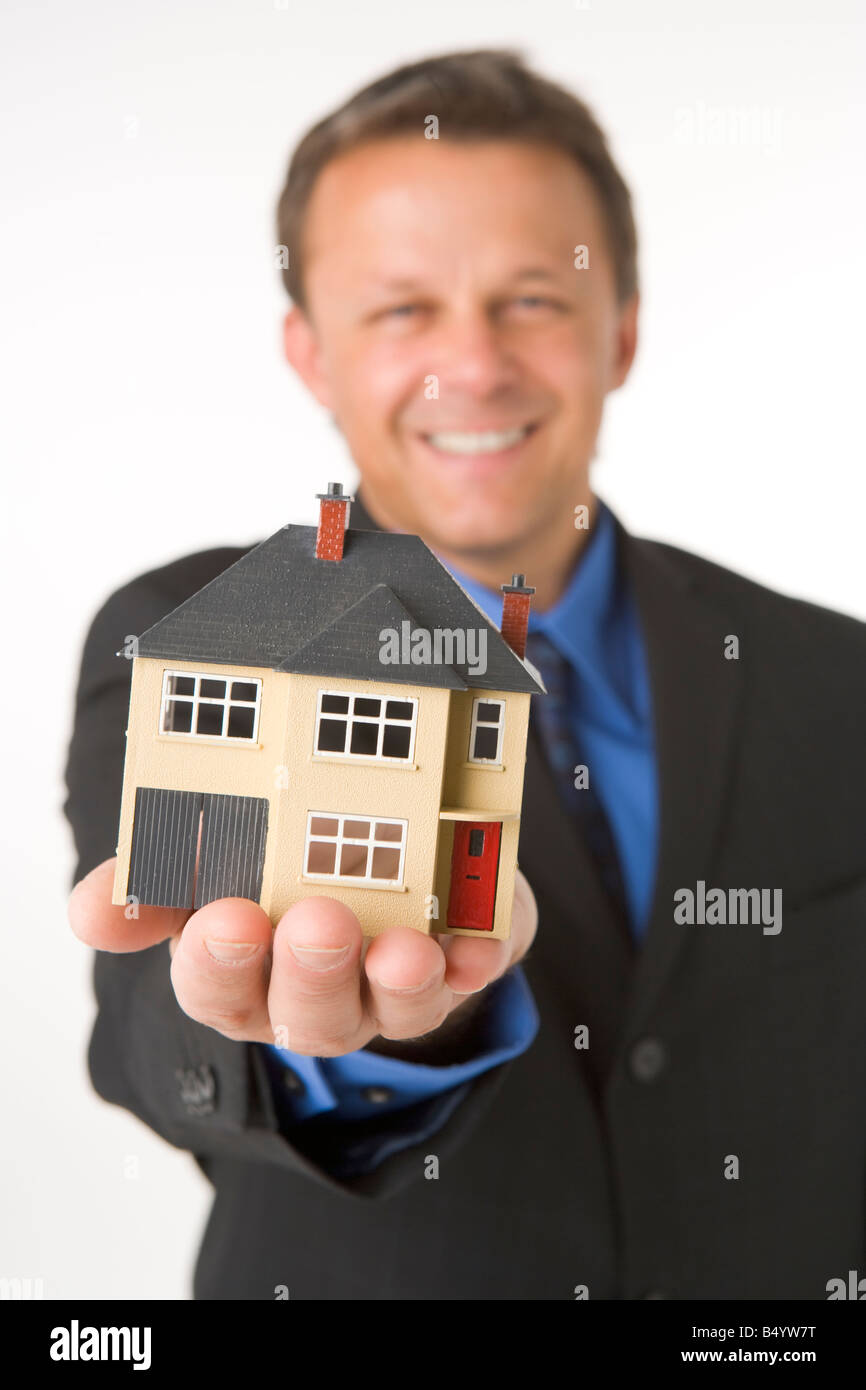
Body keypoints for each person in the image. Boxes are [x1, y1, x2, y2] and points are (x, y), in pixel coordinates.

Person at [65, 49, 866, 1300]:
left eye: (533, 298)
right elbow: (147, 1025)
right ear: (311, 354)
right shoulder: (189, 628)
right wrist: (318, 1041)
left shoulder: (833, 674)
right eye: (400, 310)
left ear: (623, 332)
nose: (472, 366)